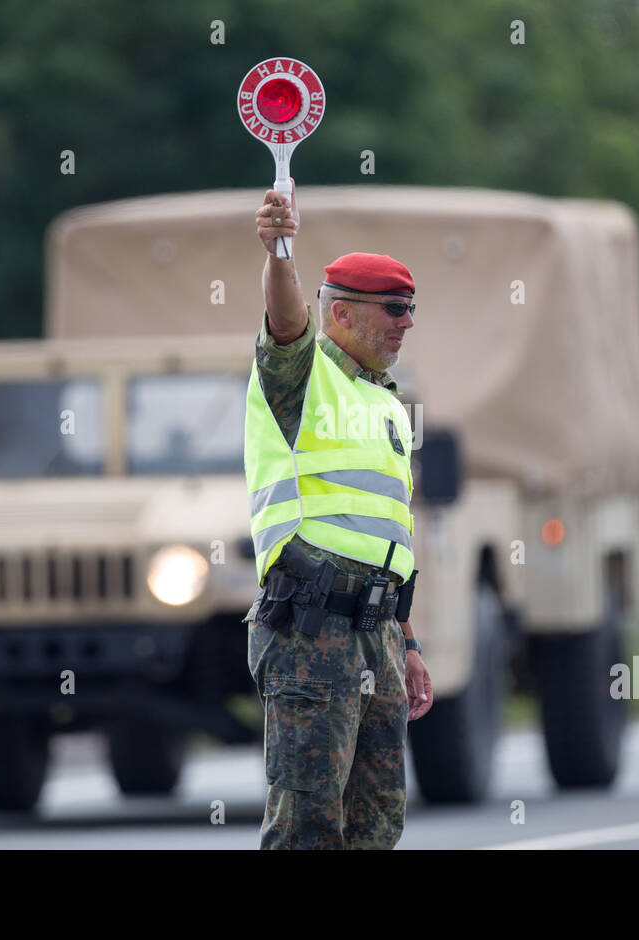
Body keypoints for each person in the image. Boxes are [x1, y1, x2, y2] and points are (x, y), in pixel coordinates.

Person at [243, 178, 434, 850]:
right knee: (308, 828)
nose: (407, 323)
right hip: (310, 630)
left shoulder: (386, 403)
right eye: (395, 309)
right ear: (342, 316)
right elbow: (286, 320)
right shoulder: (300, 374)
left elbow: (388, 537)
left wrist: (406, 644)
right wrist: (279, 252)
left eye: (411, 309)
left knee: (376, 826)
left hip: (375, 634)